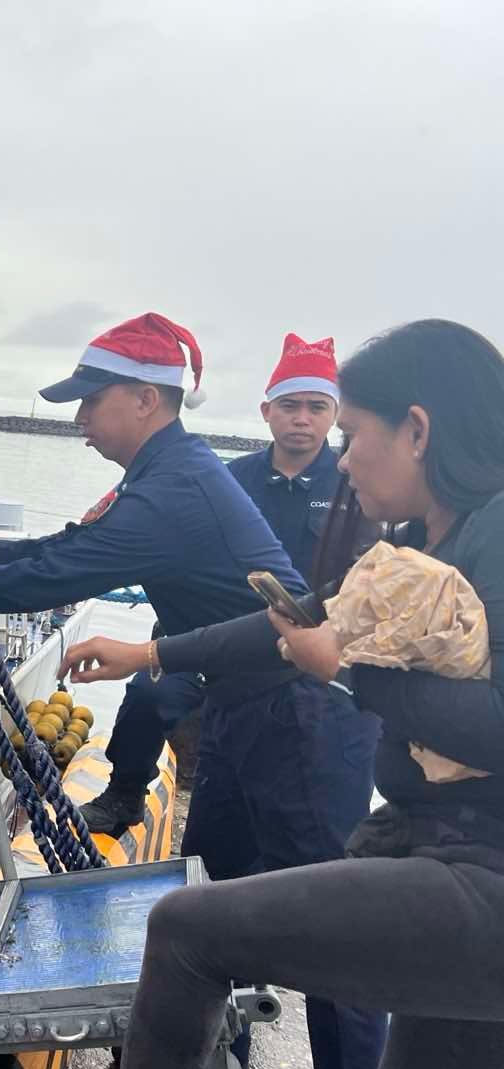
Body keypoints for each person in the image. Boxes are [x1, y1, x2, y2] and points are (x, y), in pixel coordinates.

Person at [0, 313, 383, 1069]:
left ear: (145, 399)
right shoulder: (169, 474)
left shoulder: (175, 483)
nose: (79, 421)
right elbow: (76, 553)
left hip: (305, 725)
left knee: (336, 951)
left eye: (90, 403)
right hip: (247, 714)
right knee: (209, 908)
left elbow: (67, 577)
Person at [0, 318, 504, 1069]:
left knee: (191, 931)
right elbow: (289, 624)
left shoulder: (493, 539)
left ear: (417, 430)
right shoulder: (431, 544)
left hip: (483, 874)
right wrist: (150, 657)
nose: (343, 460)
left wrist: (348, 671)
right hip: (437, 843)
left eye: (353, 434)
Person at [83, 334, 345, 835]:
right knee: (147, 696)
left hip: (297, 647)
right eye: (290, 406)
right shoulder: (225, 477)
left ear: (334, 414)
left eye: (317, 407)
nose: (302, 418)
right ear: (267, 411)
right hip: (200, 634)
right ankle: (123, 794)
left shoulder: (354, 486)